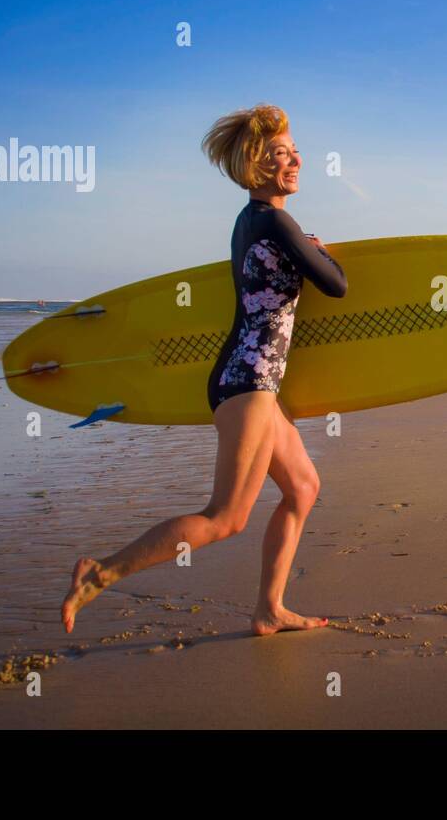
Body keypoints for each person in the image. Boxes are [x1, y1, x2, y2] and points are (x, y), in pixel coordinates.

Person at [60, 104, 347, 637]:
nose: (294, 160)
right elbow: (336, 284)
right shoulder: (277, 222)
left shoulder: (252, 221)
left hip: (249, 380)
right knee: (226, 517)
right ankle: (101, 572)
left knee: (302, 487)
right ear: (257, 165)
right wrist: (319, 250)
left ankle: (269, 609)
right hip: (250, 384)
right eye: (280, 153)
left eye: (294, 149)